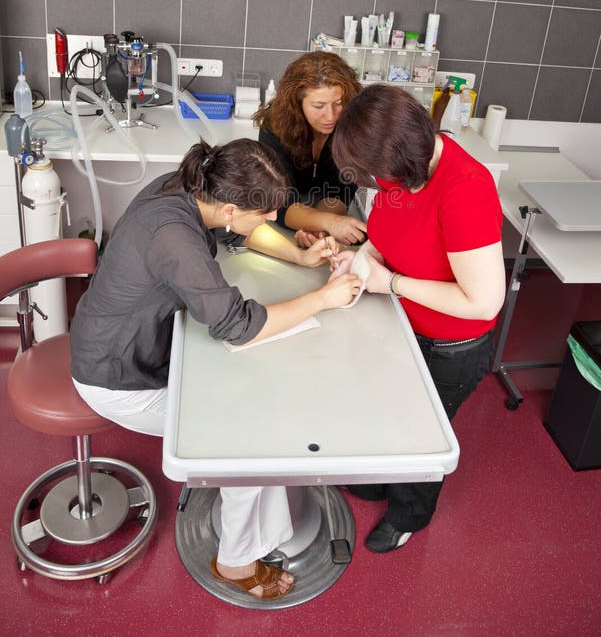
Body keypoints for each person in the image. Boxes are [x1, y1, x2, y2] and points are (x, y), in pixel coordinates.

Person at [70, 138, 361, 598]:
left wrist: (301, 256)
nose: (272, 223)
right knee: (243, 443)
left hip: (130, 340)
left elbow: (240, 232)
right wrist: (323, 299)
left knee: (254, 406)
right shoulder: (173, 235)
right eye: (263, 214)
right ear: (228, 206)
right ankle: (236, 562)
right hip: (115, 375)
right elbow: (238, 326)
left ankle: (262, 528)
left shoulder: (186, 187)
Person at [331, 84, 506, 554]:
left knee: (424, 434)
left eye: (379, 177)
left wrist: (388, 283)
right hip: (404, 326)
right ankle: (379, 479)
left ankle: (411, 515)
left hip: (452, 348)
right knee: (388, 409)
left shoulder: (465, 189)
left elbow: (483, 303)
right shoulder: (399, 171)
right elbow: (385, 233)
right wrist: (361, 258)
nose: (377, 185)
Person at [254, 51, 367, 247]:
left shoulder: (352, 127)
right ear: (297, 103)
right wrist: (329, 223)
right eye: (319, 106)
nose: (330, 116)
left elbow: (340, 191)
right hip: (280, 224)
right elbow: (279, 202)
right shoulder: (275, 126)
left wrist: (321, 230)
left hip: (317, 217)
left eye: (338, 103)